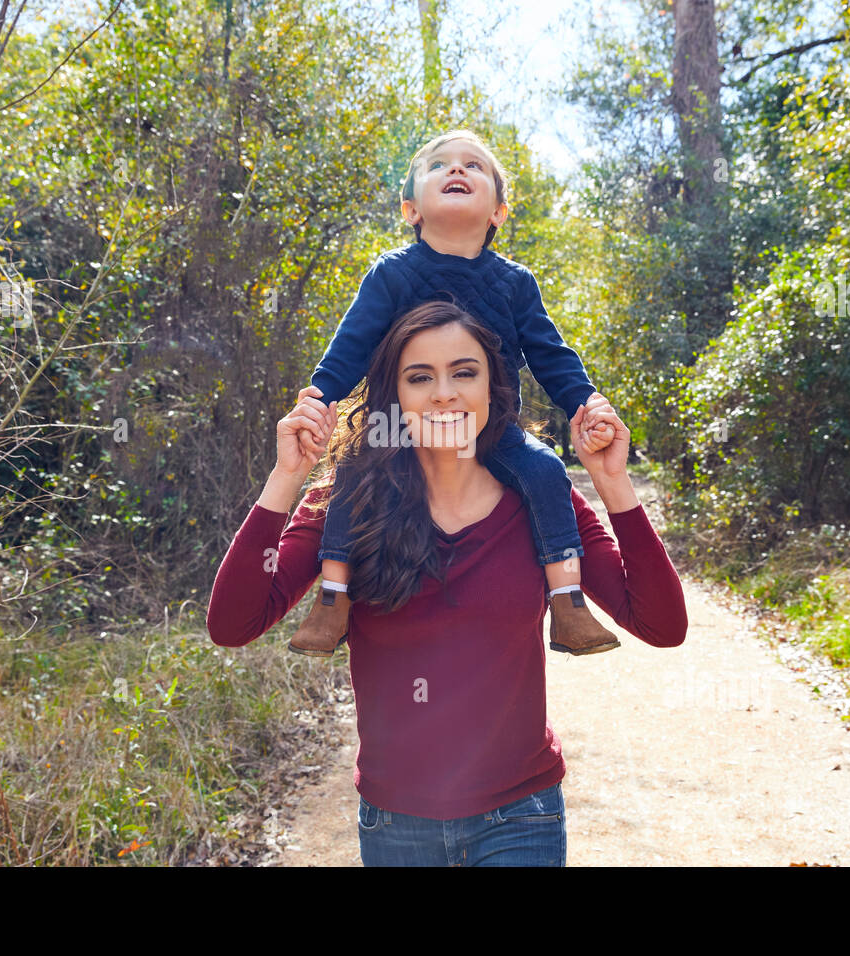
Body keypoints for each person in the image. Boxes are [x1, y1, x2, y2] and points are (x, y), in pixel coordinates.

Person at [206, 299, 688, 866]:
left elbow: (662, 625)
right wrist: (287, 477)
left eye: (465, 372)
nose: (444, 394)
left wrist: (614, 485)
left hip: (522, 816)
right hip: (396, 823)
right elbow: (234, 624)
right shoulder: (349, 501)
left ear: (492, 389)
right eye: (419, 377)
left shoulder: (542, 502)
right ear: (394, 396)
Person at [287, 128, 623, 659]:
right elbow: (351, 346)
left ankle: (567, 601)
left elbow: (549, 354)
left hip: (492, 429)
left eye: (474, 166)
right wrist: (319, 399)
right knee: (352, 465)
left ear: (499, 212)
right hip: (399, 424)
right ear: (410, 208)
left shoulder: (515, 284)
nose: (457, 170)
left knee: (545, 470)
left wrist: (586, 402)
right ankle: (333, 597)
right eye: (439, 164)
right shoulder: (392, 275)